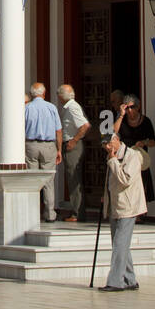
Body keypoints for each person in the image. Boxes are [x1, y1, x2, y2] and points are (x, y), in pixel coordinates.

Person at [98, 131, 146, 292]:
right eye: (105, 144)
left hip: (128, 206)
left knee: (119, 244)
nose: (107, 147)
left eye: (110, 143)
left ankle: (115, 282)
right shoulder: (112, 156)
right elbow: (110, 181)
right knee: (120, 244)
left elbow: (125, 179)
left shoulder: (132, 156)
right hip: (115, 206)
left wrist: (112, 161)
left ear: (117, 140)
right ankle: (130, 279)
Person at [24, 82, 62, 223]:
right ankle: (50, 214)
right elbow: (58, 130)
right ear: (44, 94)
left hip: (31, 145)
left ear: (32, 94)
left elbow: (21, 128)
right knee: (48, 181)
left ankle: (32, 213)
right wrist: (59, 150)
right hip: (48, 146)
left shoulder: (26, 108)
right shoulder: (51, 108)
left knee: (32, 180)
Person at [114, 93, 155, 211]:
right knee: (127, 185)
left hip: (139, 159)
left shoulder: (146, 121)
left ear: (138, 107)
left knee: (141, 186)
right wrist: (121, 116)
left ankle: (140, 212)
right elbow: (113, 132)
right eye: (126, 107)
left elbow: (154, 142)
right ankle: (130, 211)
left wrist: (144, 142)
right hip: (125, 158)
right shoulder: (122, 121)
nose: (129, 110)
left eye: (132, 107)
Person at [57, 84, 89, 222]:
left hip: (72, 146)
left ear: (61, 96)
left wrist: (74, 141)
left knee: (74, 178)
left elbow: (85, 125)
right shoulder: (68, 107)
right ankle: (76, 211)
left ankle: (77, 213)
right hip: (68, 145)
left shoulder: (72, 107)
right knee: (71, 178)